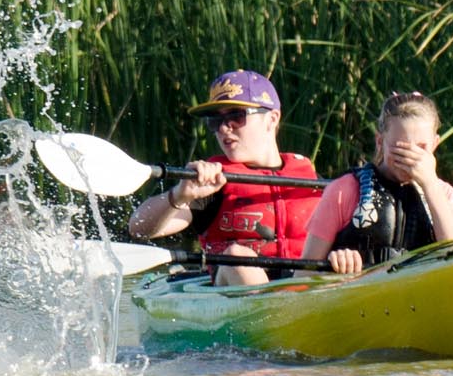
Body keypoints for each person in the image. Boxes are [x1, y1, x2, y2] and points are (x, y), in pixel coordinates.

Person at [126, 69, 319, 286]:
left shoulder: (308, 178)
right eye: (215, 121)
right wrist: (179, 196)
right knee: (237, 256)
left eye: (237, 116)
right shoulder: (213, 183)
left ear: (272, 119)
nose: (224, 128)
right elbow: (138, 228)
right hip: (238, 291)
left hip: (303, 288)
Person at [301, 90, 453, 274]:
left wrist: (430, 183)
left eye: (421, 148)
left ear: (435, 144)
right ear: (380, 142)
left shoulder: (444, 194)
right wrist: (335, 261)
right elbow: (303, 273)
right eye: (399, 149)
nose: (410, 159)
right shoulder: (343, 191)